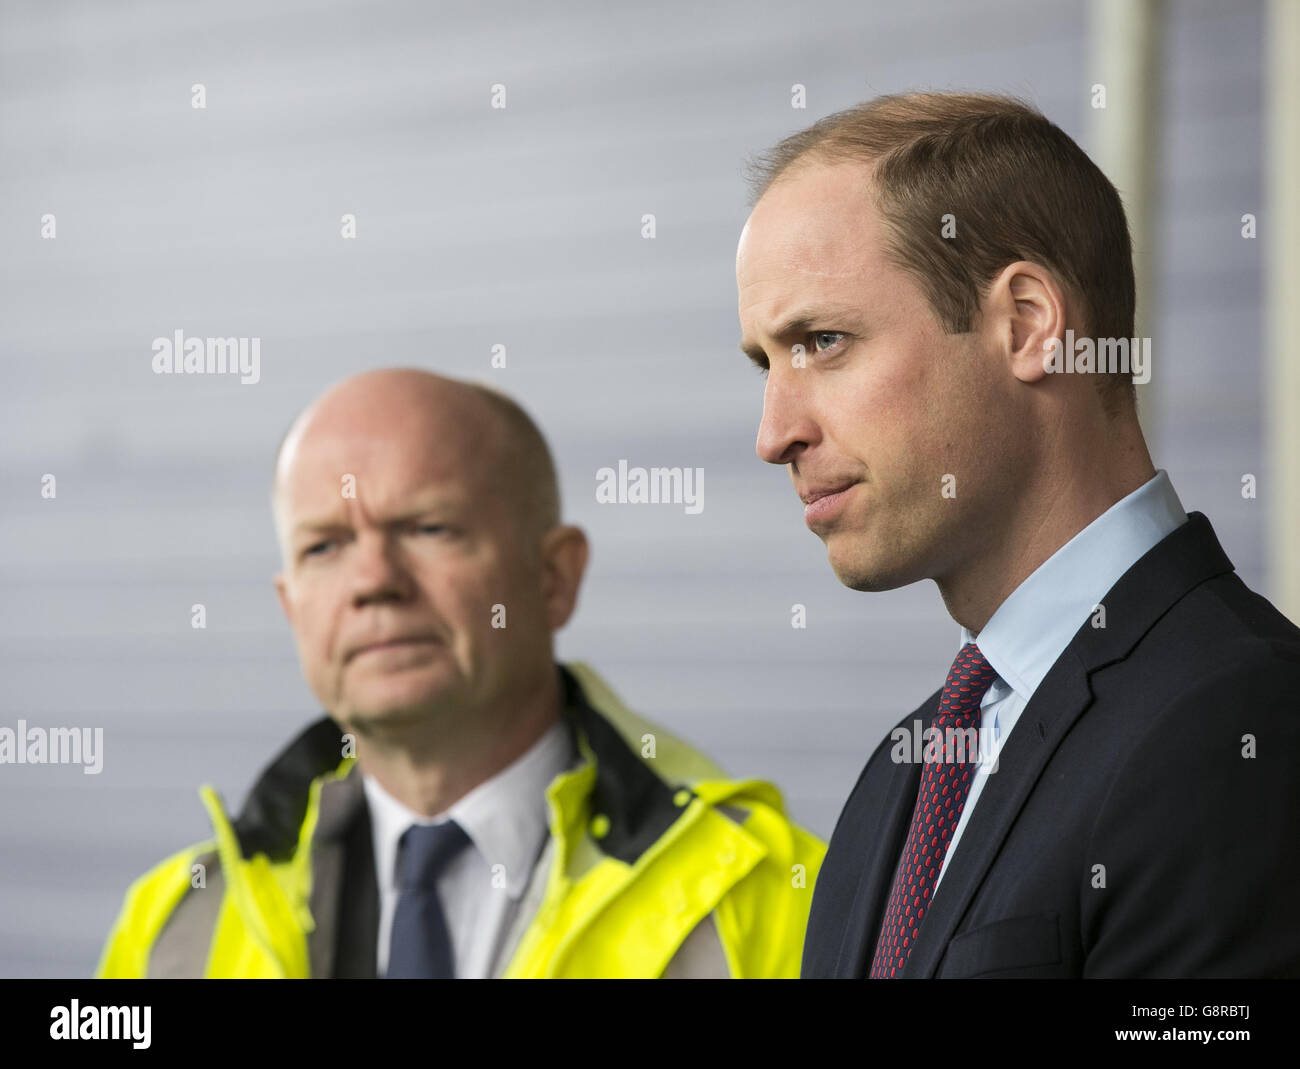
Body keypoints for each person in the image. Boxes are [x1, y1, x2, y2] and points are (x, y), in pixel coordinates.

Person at [735, 91, 1300, 978]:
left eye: (825, 340)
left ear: (1029, 324)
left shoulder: (1242, 723)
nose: (774, 435)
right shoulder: (906, 766)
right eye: (764, 363)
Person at [96, 368, 824, 978]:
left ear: (554, 577)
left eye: (428, 528)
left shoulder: (781, 898)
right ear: (291, 608)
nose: (374, 579)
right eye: (324, 546)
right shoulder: (173, 925)